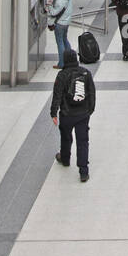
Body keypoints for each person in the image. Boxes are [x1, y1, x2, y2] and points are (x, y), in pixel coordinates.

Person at [51, 48, 95, 181]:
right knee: (82, 142)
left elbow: (57, 96)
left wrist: (53, 112)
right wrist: (90, 110)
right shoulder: (86, 73)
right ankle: (83, 171)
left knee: (65, 137)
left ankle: (65, 158)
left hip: (67, 114)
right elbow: (92, 93)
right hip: (83, 114)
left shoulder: (62, 75)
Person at [47, 0, 74, 67]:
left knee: (60, 43)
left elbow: (54, 13)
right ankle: (70, 60)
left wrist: (49, 6)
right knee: (65, 40)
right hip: (67, 21)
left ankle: (62, 64)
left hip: (60, 23)